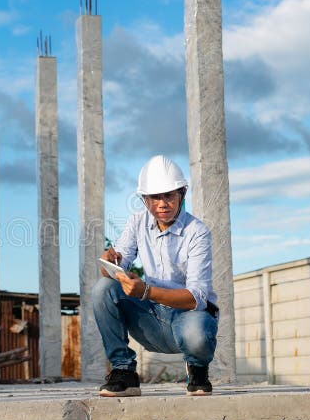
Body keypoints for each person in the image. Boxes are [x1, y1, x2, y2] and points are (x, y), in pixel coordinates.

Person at [92, 155, 218, 397]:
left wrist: (146, 291)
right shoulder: (137, 222)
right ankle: (124, 372)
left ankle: (198, 368)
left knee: (197, 333)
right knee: (103, 288)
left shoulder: (197, 232)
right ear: (144, 199)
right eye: (155, 197)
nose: (162, 204)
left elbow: (197, 298)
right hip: (150, 319)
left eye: (169, 195)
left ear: (182, 193)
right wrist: (110, 262)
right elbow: (117, 264)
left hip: (187, 318)